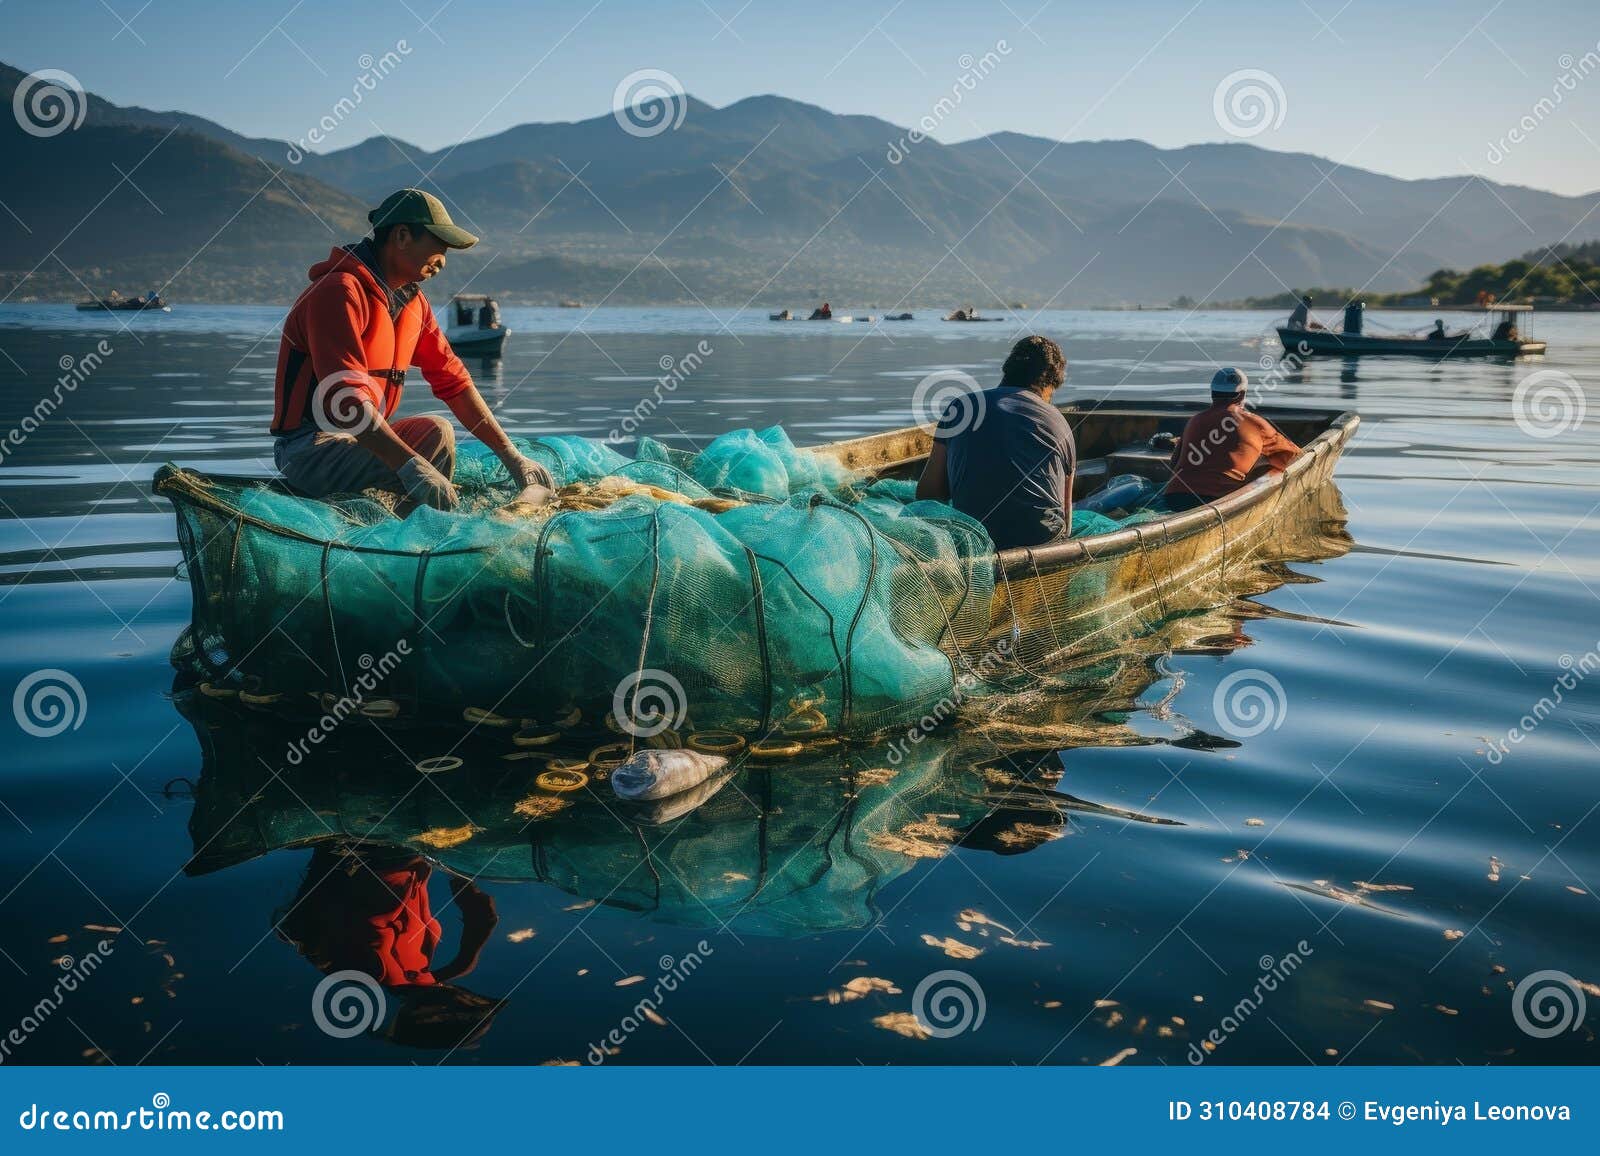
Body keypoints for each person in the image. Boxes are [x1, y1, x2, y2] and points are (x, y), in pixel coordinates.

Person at [270, 188, 553, 511]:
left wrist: (513, 457)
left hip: (360, 444)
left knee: (437, 430)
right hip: (310, 450)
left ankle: (415, 522)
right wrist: (411, 466)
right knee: (426, 474)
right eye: (439, 246)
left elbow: (455, 383)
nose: (443, 261)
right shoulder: (337, 292)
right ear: (402, 236)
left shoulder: (412, 302)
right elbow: (344, 399)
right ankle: (420, 532)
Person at [915, 335, 1074, 548]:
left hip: (973, 541)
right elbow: (1067, 519)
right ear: (1048, 385)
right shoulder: (1059, 422)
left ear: (1007, 372)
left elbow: (928, 494)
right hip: (1042, 542)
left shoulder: (962, 407)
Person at [1163, 367, 1301, 511]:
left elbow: (1173, 466)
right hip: (1215, 500)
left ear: (1212, 394)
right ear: (1242, 395)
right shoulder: (1254, 422)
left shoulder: (1194, 420)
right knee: (1275, 470)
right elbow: (1293, 456)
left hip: (1173, 496)